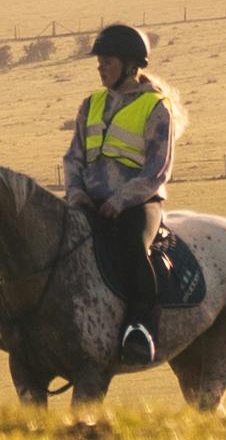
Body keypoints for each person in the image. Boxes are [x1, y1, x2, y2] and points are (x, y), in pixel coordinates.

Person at [65, 20, 182, 364]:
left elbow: (157, 169)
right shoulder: (91, 104)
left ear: (130, 66)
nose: (100, 68)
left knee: (132, 248)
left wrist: (120, 200)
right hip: (88, 202)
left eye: (108, 62)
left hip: (138, 204)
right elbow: (73, 157)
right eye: (98, 62)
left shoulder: (156, 107)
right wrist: (76, 193)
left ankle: (140, 327)